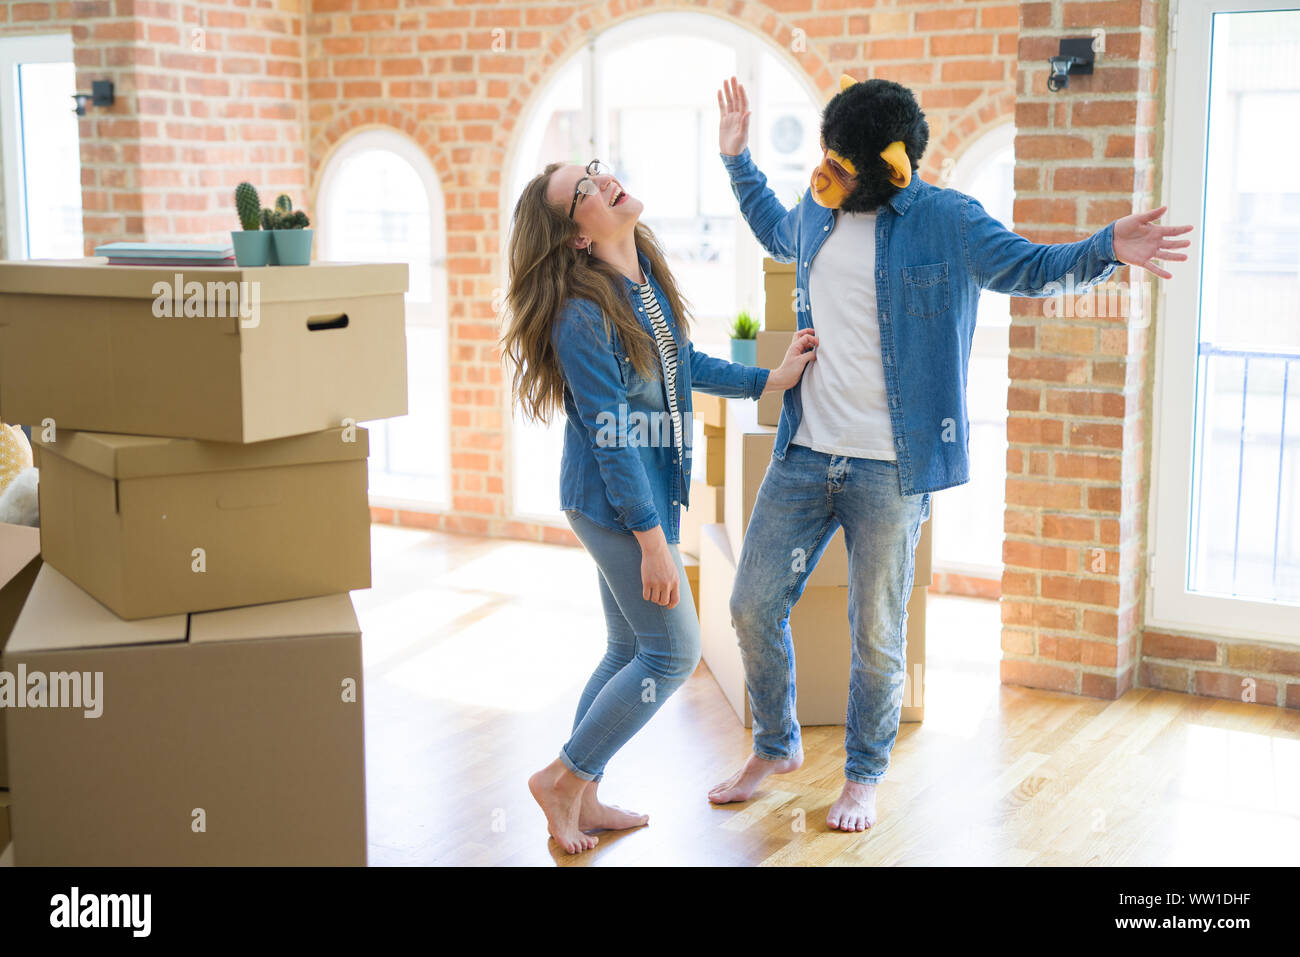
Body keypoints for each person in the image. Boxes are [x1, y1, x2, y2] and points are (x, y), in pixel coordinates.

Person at [708, 75, 1193, 831]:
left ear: (893, 166)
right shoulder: (822, 202)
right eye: (827, 153)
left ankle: (863, 775)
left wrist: (1107, 250)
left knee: (877, 629)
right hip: (803, 450)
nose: (828, 172)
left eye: (845, 161)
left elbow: (1030, 267)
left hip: (890, 468)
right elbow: (779, 231)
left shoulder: (947, 220)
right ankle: (777, 743)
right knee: (751, 603)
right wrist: (737, 161)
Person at [501, 159, 819, 853]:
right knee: (672, 651)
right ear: (575, 237)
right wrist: (652, 542)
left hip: (642, 498)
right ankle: (562, 778)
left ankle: (582, 795)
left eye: (594, 168)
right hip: (616, 504)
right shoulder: (581, 316)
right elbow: (613, 437)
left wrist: (771, 377)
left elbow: (685, 363)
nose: (602, 178)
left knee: (626, 647)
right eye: (582, 189)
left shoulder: (640, 280)